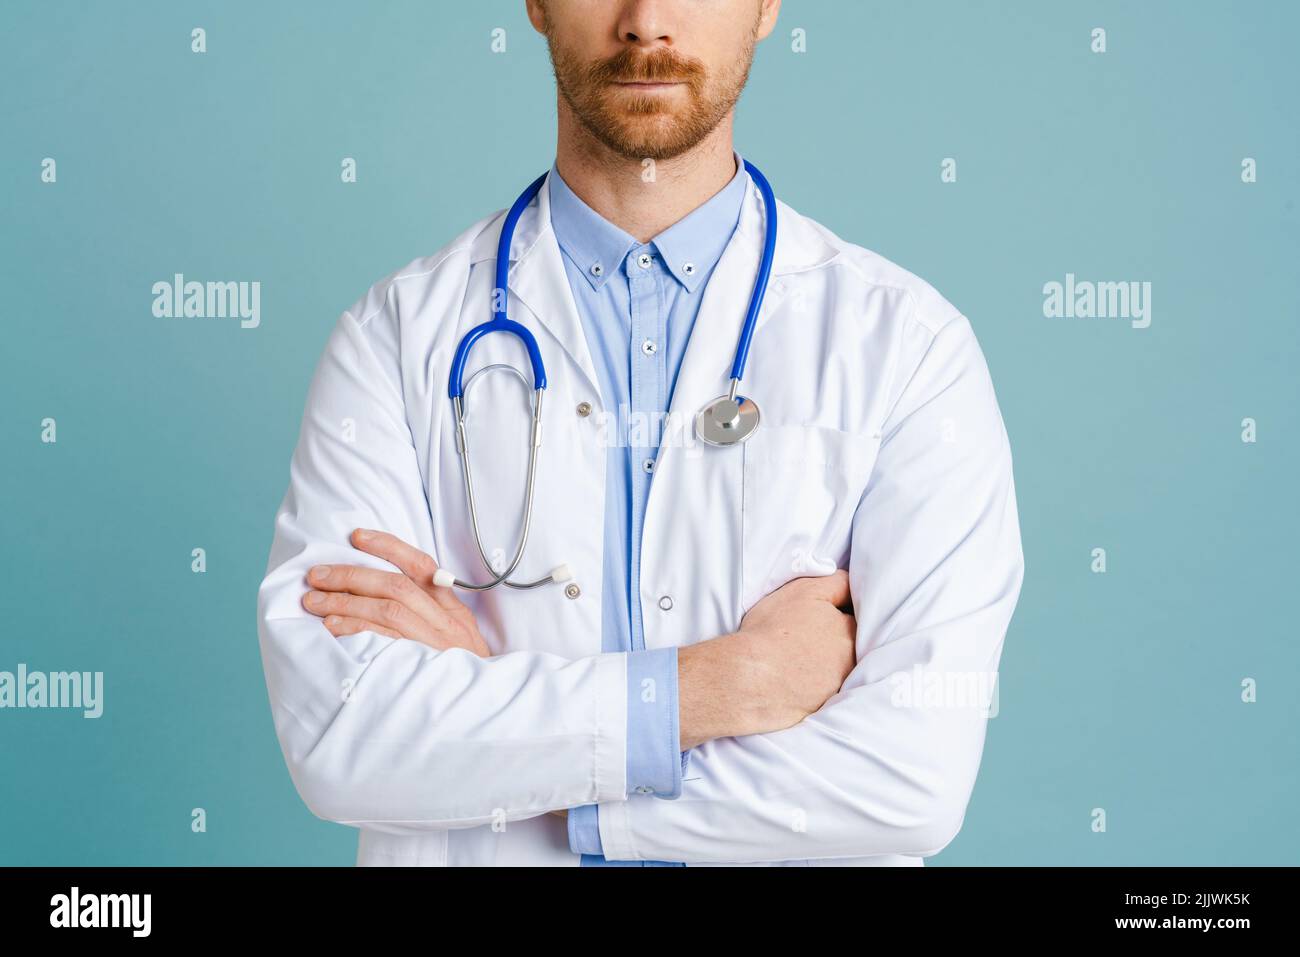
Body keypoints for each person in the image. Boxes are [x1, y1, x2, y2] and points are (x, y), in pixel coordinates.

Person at [256, 0, 1024, 866]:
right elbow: (344, 732)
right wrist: (725, 685)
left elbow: (909, 779)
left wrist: (537, 783)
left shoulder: (909, 349)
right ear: (537, 4)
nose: (647, 20)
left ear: (768, 5)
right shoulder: (393, 339)